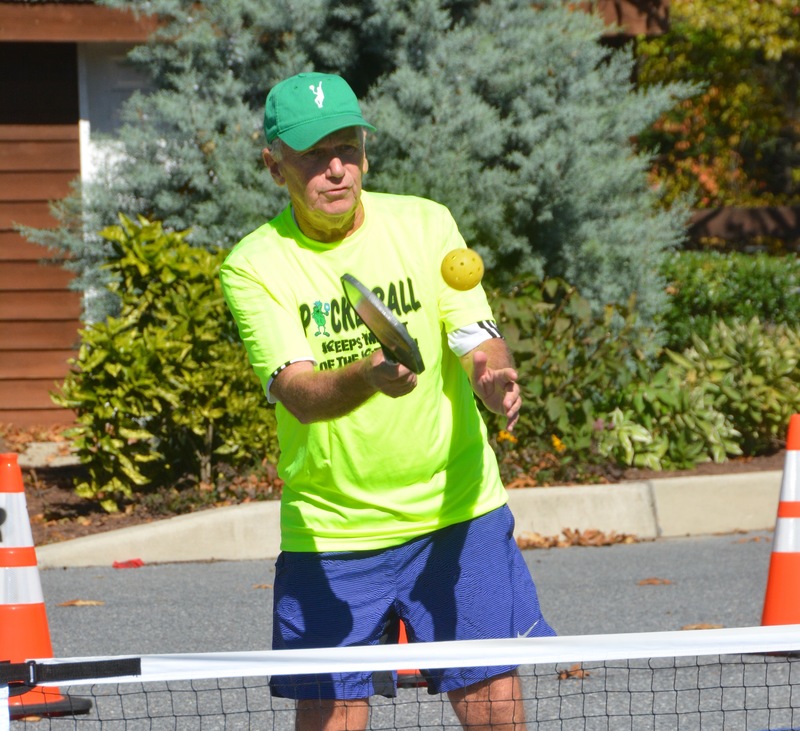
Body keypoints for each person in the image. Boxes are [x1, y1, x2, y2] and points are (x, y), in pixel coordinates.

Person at [220, 72, 555, 731]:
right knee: (334, 715)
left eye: (347, 148)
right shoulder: (254, 263)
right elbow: (298, 392)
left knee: (495, 712)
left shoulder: (428, 224)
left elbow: (474, 335)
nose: (336, 168)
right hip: (332, 529)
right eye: (315, 155)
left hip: (459, 514)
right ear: (274, 163)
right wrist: (367, 376)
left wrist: (494, 375)